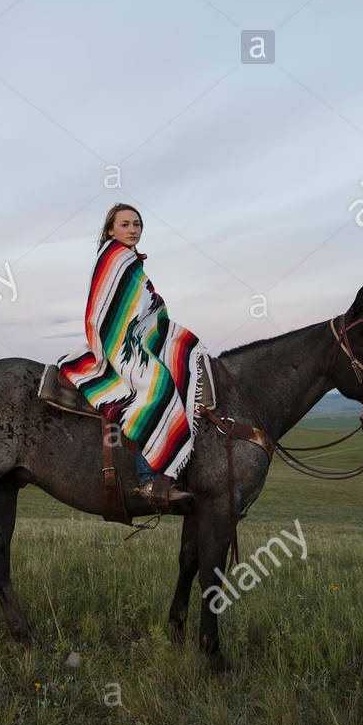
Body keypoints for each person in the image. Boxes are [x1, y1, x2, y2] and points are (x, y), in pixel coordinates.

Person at [57, 203, 209, 510]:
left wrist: (153, 327)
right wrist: (126, 341)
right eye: (125, 224)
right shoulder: (114, 258)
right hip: (116, 344)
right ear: (111, 229)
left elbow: (143, 308)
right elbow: (103, 313)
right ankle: (148, 478)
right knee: (156, 386)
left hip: (133, 339)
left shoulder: (129, 260)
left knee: (180, 352)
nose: (132, 229)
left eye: (137, 224)